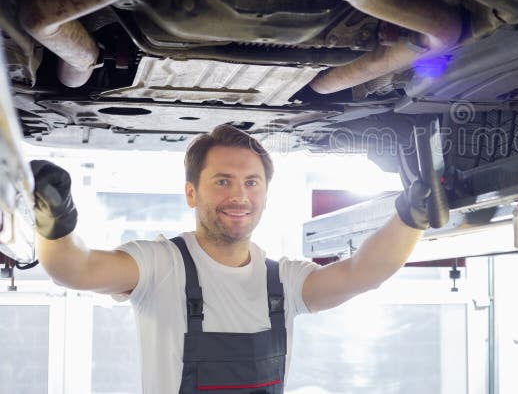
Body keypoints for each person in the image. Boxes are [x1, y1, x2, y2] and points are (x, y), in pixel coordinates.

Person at [32, 124, 432, 393]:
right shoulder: (160, 264)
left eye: (251, 183)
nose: (239, 196)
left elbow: (363, 273)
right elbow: (74, 269)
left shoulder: (284, 282)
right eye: (223, 181)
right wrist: (56, 220)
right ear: (191, 193)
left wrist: (411, 215)